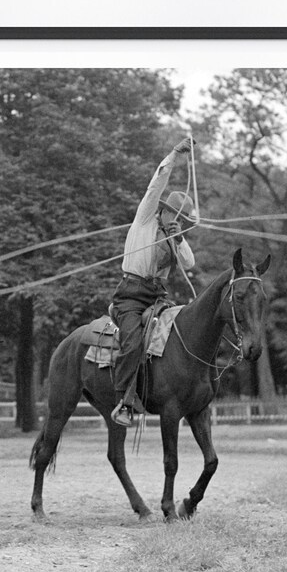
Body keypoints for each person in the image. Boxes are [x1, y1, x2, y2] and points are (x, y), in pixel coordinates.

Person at [109, 137, 197, 427]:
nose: (178, 221)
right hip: (131, 295)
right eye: (177, 216)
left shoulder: (175, 236)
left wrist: (178, 238)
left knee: (183, 336)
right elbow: (155, 186)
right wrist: (174, 155)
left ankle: (182, 394)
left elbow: (189, 264)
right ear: (165, 210)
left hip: (158, 297)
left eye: (183, 219)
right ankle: (124, 401)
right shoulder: (145, 219)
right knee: (133, 342)